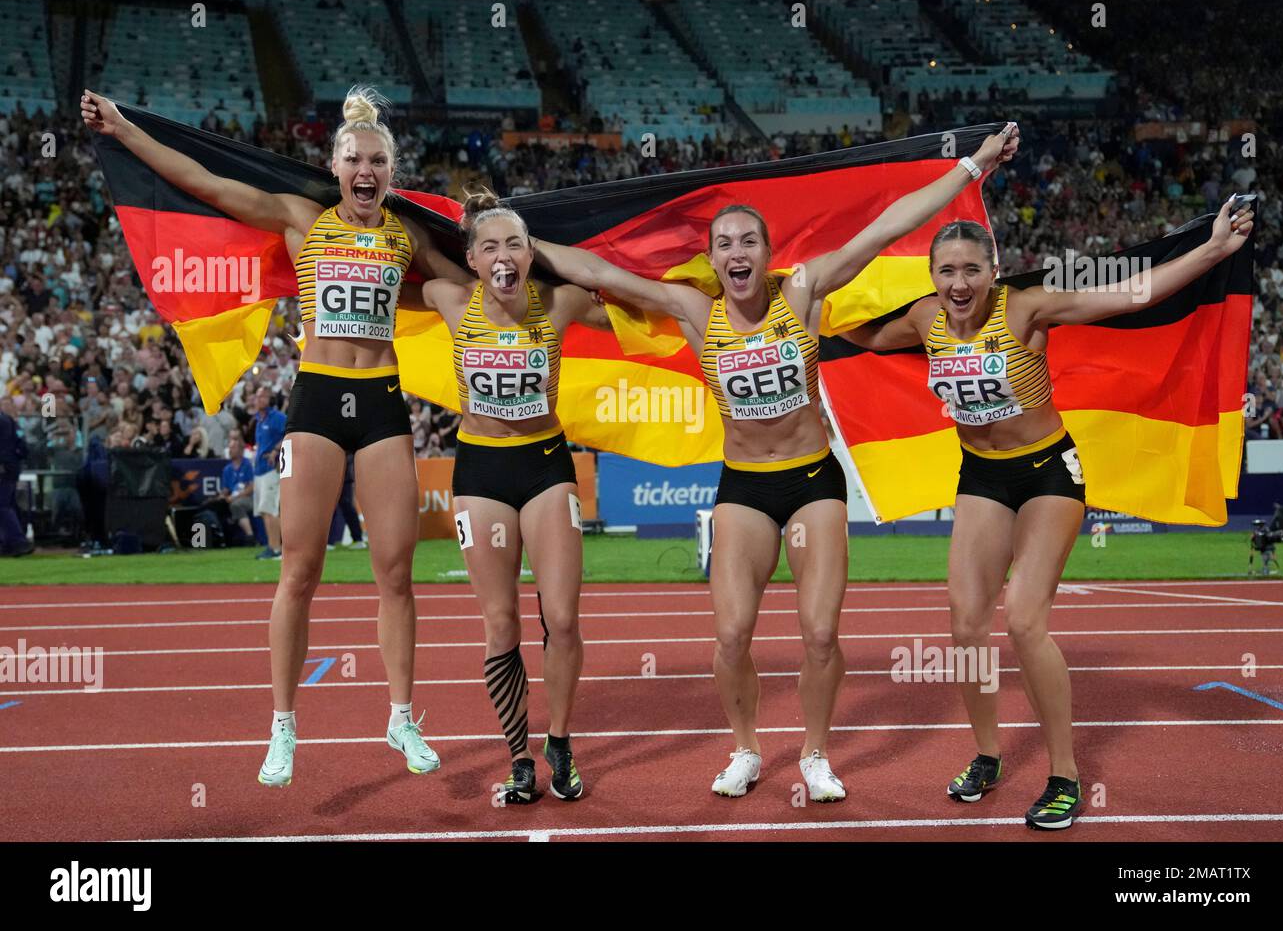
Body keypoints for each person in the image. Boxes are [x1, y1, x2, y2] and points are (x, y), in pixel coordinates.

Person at [533, 125, 1021, 801]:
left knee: (820, 632)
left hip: (813, 480)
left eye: (749, 242)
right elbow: (594, 271)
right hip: (744, 487)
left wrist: (972, 166)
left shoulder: (804, 292)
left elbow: (885, 228)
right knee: (732, 634)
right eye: (725, 244)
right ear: (712, 259)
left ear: (767, 254)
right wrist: (510, 234)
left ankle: (817, 755)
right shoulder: (692, 310)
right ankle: (746, 750)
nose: (738, 253)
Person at [83, 83, 473, 788]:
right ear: (334, 166)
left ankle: (401, 716)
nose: (366, 169)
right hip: (318, 400)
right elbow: (201, 179)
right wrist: (123, 130)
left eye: (378, 161)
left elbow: (465, 286)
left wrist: (507, 254)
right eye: (354, 158)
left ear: (391, 171)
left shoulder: (403, 236)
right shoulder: (301, 219)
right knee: (300, 571)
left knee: (395, 573)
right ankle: (284, 726)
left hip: (384, 401)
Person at [838, 195, 1254, 829]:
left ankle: (1064, 773)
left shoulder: (1026, 307)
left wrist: (1214, 249)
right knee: (965, 625)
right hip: (980, 475)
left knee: (1025, 620)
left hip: (1047, 472)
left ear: (994, 268)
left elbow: (1130, 295)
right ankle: (987, 755)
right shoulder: (925, 320)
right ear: (931, 275)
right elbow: (862, 334)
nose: (959, 283)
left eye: (971, 269)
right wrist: (804, 301)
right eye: (946, 270)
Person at [418, 186, 610, 803]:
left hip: (547, 465)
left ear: (532, 254)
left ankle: (559, 742)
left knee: (563, 619)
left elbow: (632, 302)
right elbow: (404, 252)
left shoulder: (561, 301)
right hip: (479, 473)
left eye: (516, 245)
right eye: (490, 246)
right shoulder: (447, 298)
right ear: (471, 259)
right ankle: (518, 757)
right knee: (501, 623)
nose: (504, 255)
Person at [251, 386, 285, 560]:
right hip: (260, 468)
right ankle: (271, 546)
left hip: (271, 468)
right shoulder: (259, 419)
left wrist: (275, 450)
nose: (259, 400)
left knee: (271, 509)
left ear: (270, 399)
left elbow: (291, 432)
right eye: (257, 397)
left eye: (263, 396)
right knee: (264, 510)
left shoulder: (277, 417)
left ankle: (277, 549)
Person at [0, 396, 32, 557]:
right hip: (12, 467)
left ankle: (19, 542)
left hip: (3, 467)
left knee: (3, 506)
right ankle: (7, 544)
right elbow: (22, 446)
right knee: (9, 504)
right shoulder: (10, 421)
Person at [220, 435, 256, 543]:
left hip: (249, 498)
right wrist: (223, 496)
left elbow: (251, 487)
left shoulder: (247, 465)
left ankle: (250, 536)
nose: (230, 451)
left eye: (233, 448)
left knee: (236, 504)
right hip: (233, 497)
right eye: (229, 448)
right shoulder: (227, 469)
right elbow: (226, 489)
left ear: (241, 450)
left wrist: (235, 497)